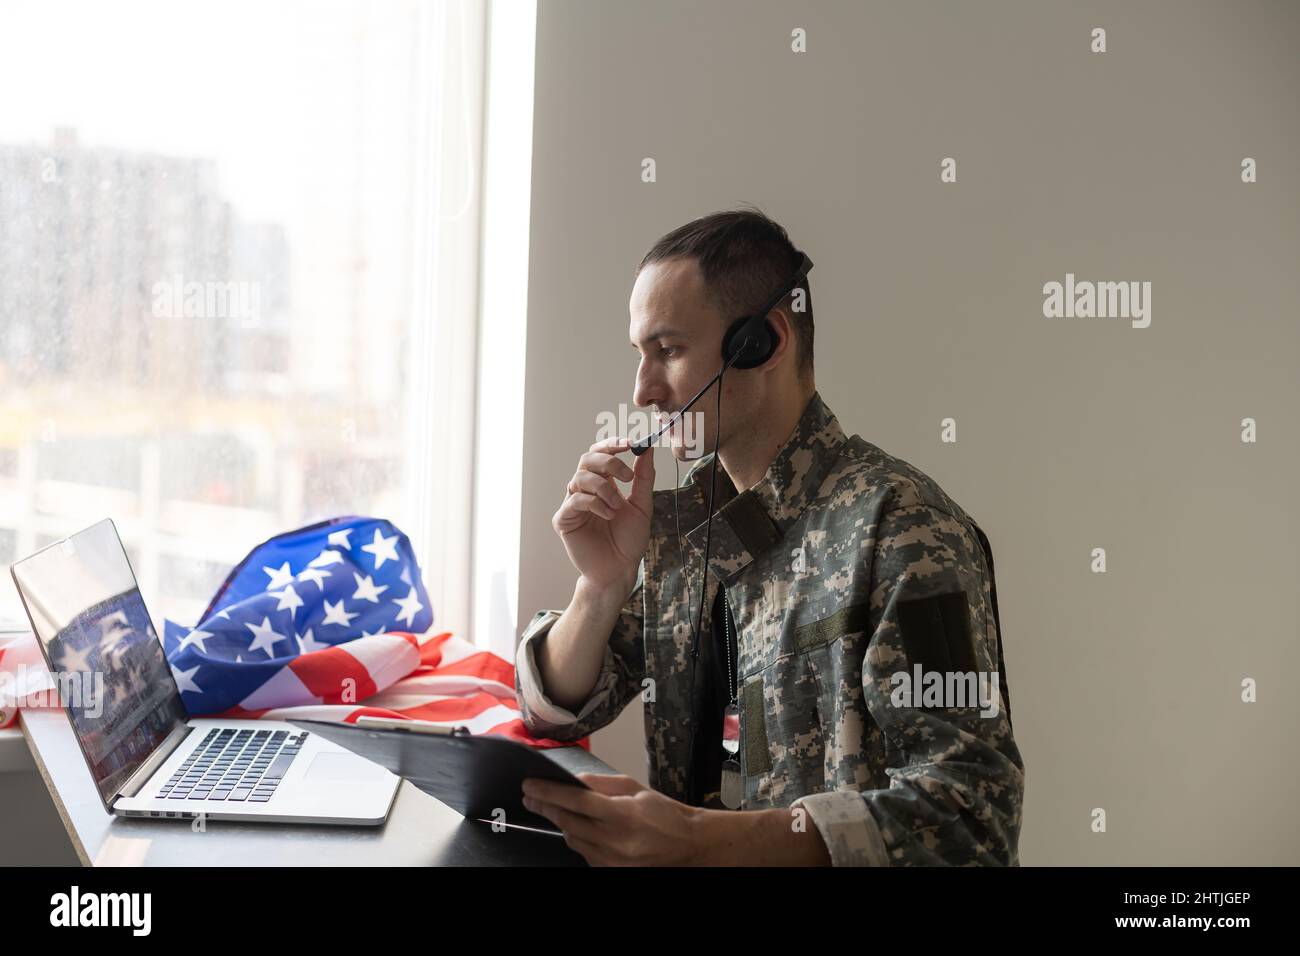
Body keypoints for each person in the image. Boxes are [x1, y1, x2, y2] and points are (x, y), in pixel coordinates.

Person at [516, 208, 1024, 865]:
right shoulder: (689, 528)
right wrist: (600, 584)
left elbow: (967, 817)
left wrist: (698, 841)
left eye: (668, 351)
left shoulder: (903, 529)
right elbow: (556, 711)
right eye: (640, 355)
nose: (643, 391)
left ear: (764, 342)